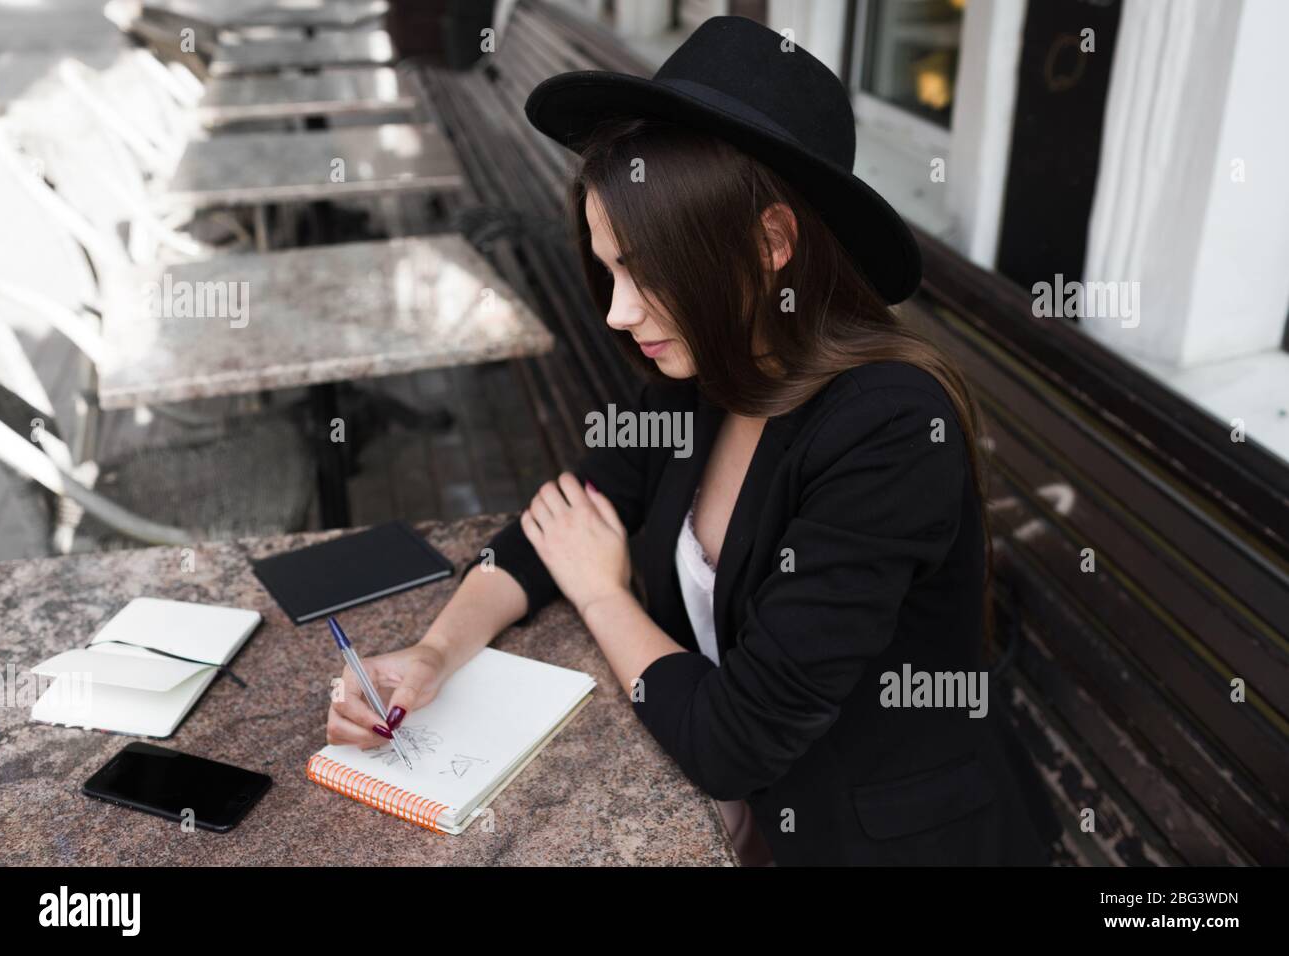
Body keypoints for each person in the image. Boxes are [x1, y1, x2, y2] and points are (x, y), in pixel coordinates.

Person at [327, 15, 1060, 866]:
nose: (617, 310)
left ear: (771, 243)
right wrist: (430, 655)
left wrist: (604, 594)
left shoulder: (890, 429)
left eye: (646, 270)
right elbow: (557, 527)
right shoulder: (708, 376)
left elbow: (735, 741)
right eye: (610, 270)